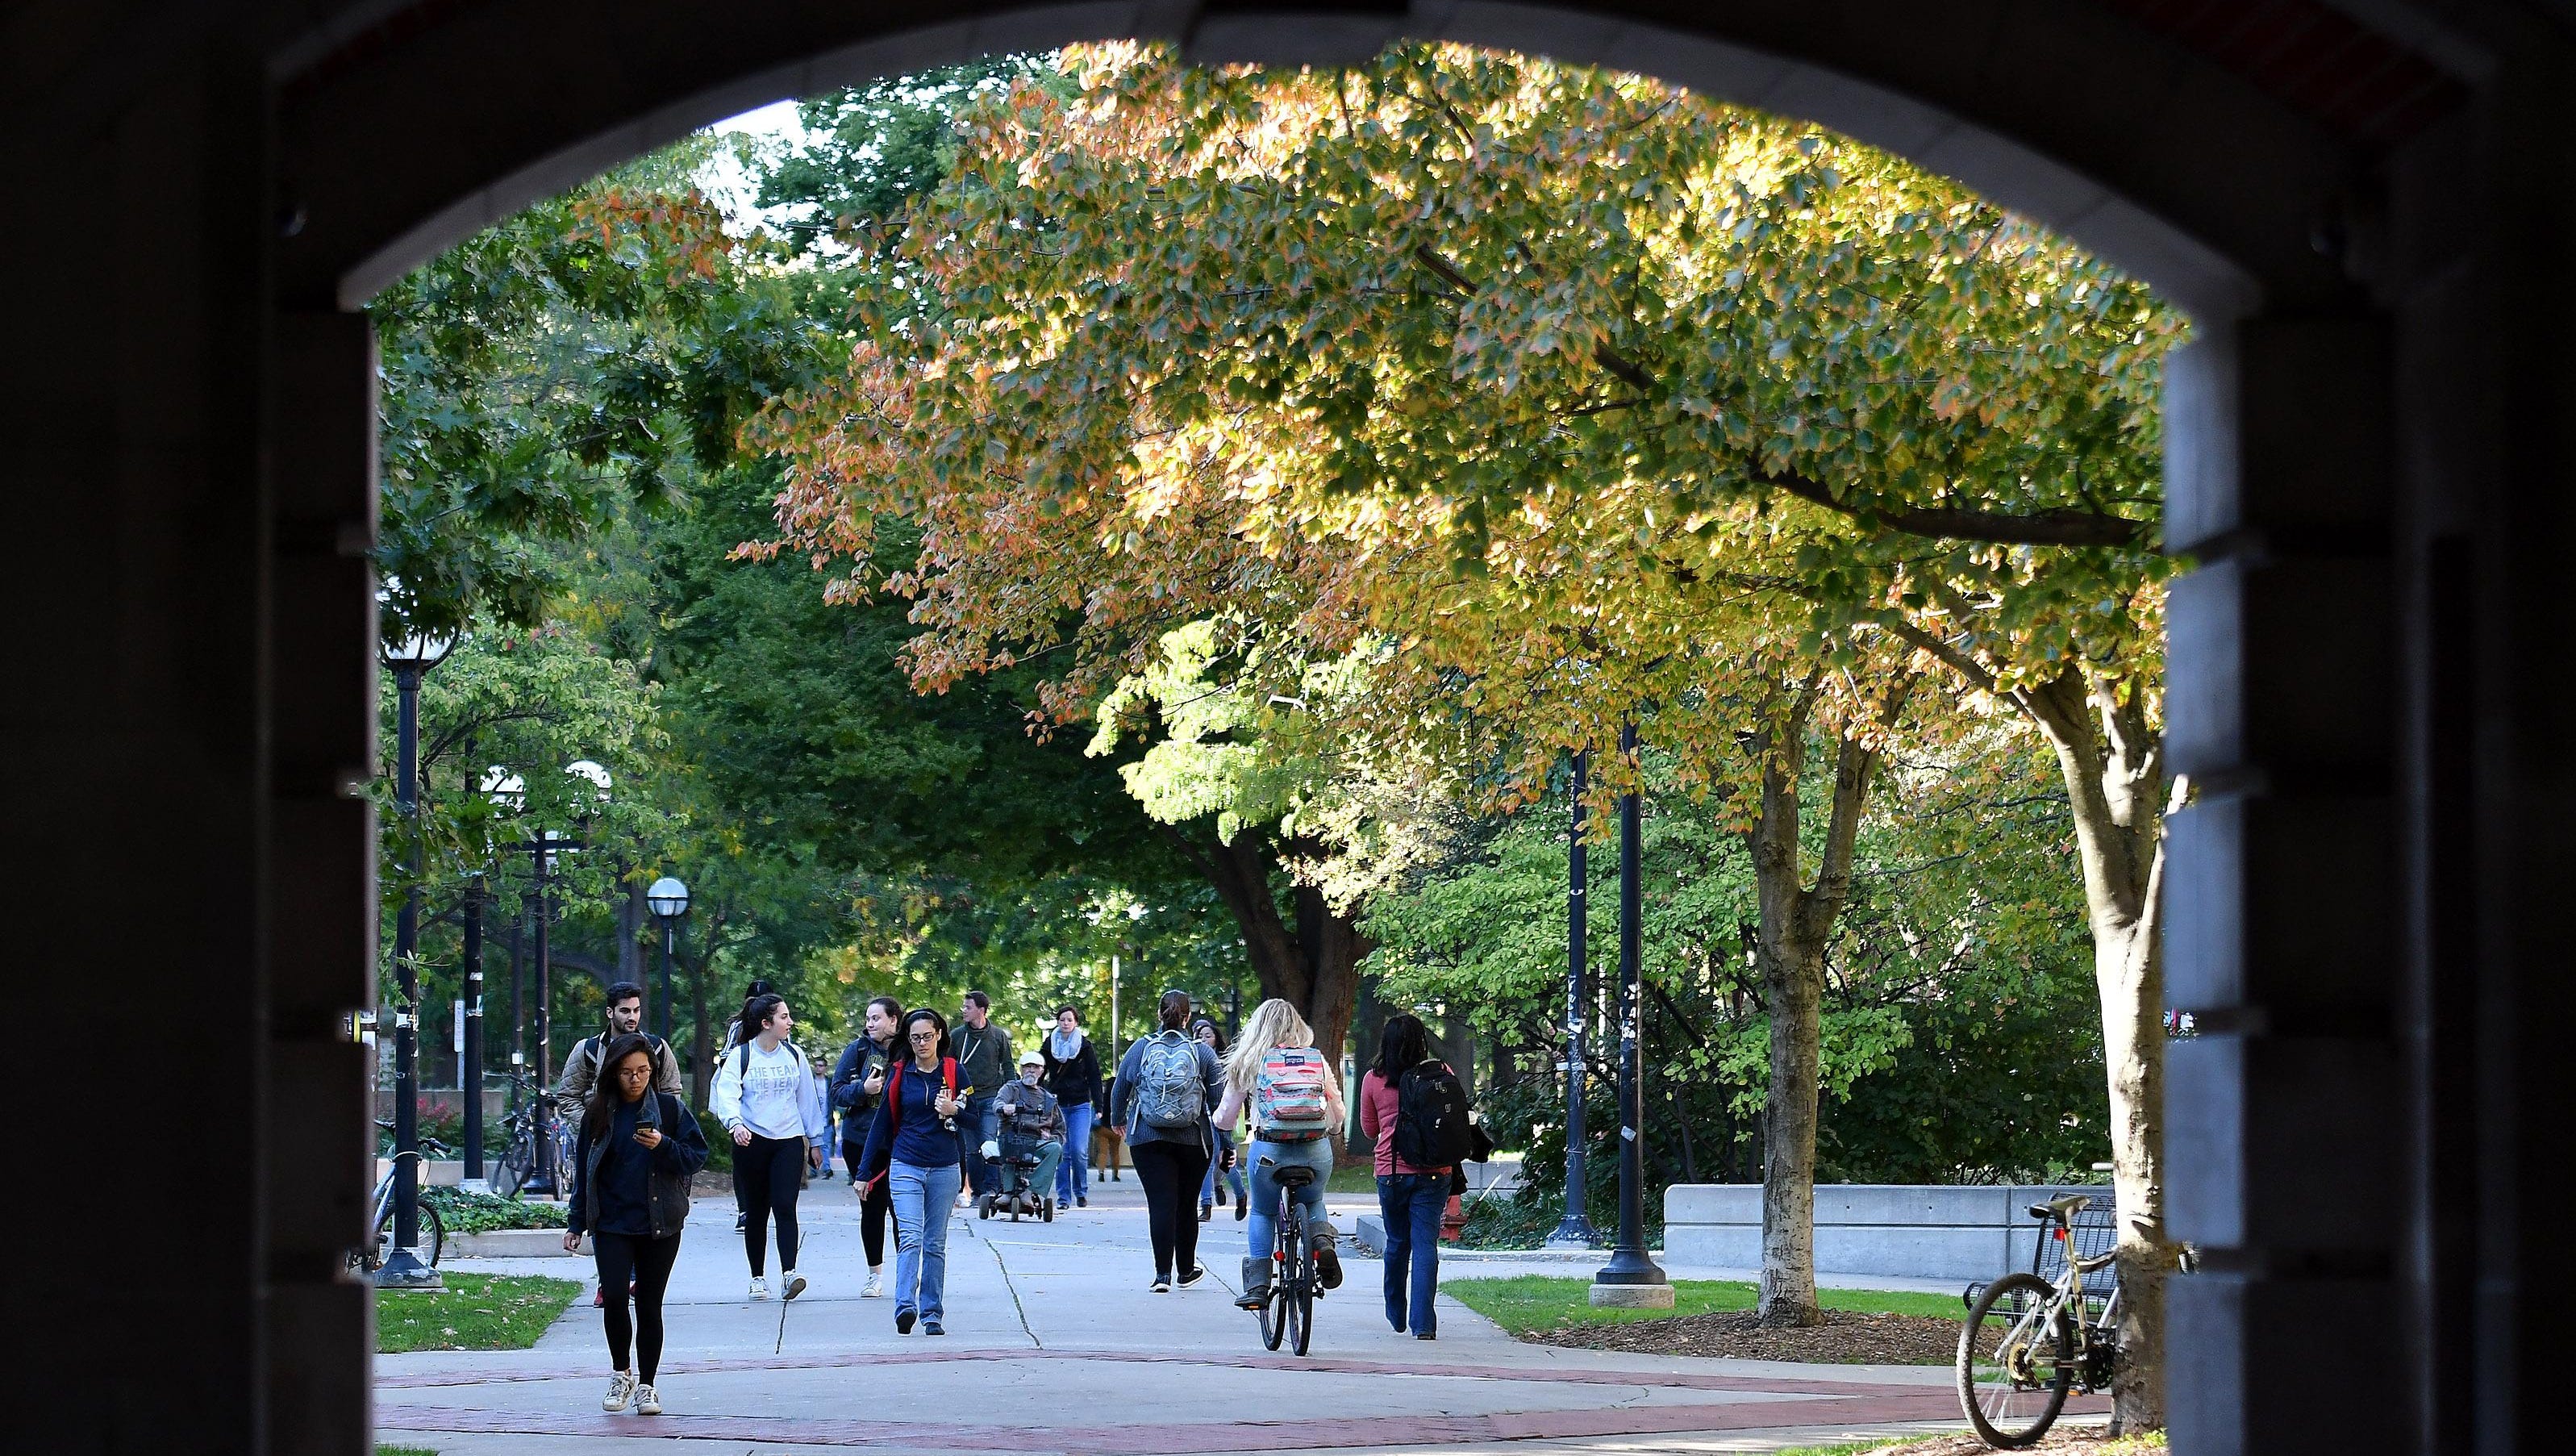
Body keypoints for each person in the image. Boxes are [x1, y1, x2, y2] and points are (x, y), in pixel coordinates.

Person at [563, 1033, 708, 1416]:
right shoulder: (598, 1112)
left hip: (660, 1222)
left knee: (648, 1303)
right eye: (627, 1072)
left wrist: (662, 1145)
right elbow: (584, 1172)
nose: (636, 1078)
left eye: (643, 1070)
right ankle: (620, 1372)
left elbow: (696, 1156)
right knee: (613, 1295)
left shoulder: (669, 1110)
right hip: (611, 1221)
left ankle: (648, 1384)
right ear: (613, 1073)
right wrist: (576, 1222)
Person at [1214, 998, 1345, 1312]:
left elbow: (1226, 1117)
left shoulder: (1249, 1062)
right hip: (1315, 1150)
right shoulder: (1315, 1060)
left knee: (1262, 1211)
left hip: (1269, 1153)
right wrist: (1336, 1128)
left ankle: (1258, 1287)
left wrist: (1220, 1125)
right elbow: (1337, 1109)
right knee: (1313, 1201)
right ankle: (1322, 1243)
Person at [707, 992, 827, 1302]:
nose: (790, 1022)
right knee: (757, 1212)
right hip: (752, 1141)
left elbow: (807, 1100)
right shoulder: (741, 1056)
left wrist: (815, 1140)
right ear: (766, 1023)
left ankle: (790, 1273)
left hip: (787, 1141)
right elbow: (727, 1093)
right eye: (784, 1017)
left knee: (785, 1206)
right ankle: (757, 1278)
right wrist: (735, 1124)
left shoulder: (794, 1055)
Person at [856, 1008, 965, 1336]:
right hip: (906, 1165)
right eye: (914, 1038)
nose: (921, 1043)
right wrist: (864, 1172)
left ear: (940, 1036)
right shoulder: (900, 1073)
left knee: (934, 1243)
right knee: (911, 1237)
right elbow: (882, 1123)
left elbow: (975, 1120)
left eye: (927, 1037)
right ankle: (905, 1305)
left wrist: (954, 1110)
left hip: (945, 1167)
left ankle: (932, 1313)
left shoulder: (955, 1072)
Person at [1108, 989, 1222, 1292]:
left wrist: (1117, 1119)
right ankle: (1185, 1270)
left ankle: (1162, 1276)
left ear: (1159, 1015)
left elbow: (1120, 1087)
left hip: (1148, 1138)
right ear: (1188, 1018)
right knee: (1186, 1204)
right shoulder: (1203, 1053)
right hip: (1194, 1140)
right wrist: (1226, 1143)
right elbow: (1217, 1101)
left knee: (1160, 1204)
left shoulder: (1141, 1048)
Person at [1358, 1013, 1453, 1340]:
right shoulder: (1441, 1074)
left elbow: (1369, 1130)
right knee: (1426, 1244)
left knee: (1397, 1243)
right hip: (1434, 1172)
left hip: (1391, 1171)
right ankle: (1423, 1324)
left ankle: (1395, 1312)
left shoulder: (1374, 1079)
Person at [829, 995, 902, 1297]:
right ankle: (875, 1275)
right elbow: (837, 1093)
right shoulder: (857, 1050)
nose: (870, 1024)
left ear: (894, 1020)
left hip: (901, 1143)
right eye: (868, 1018)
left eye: (877, 1018)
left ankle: (909, 1273)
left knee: (903, 1210)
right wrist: (864, 1089)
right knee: (872, 1211)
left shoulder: (908, 1052)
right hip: (860, 1141)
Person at [715, 978, 776, 1235]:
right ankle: (745, 1209)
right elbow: (725, 1056)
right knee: (742, 1154)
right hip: (742, 1096)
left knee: (770, 1154)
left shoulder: (779, 1027)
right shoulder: (738, 1027)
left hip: (770, 1101)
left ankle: (762, 1205)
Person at [556, 982, 683, 1103]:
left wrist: (661, 1123)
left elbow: (672, 1091)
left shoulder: (658, 1047)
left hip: (646, 1124)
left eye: (636, 1010)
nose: (632, 1017)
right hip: (602, 1122)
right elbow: (568, 1096)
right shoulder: (588, 1050)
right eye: (625, 1011)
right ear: (610, 1012)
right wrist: (591, 1124)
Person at [949, 991, 1014, 1202]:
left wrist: (1012, 1092)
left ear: (982, 1010)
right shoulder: (958, 1036)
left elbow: (1008, 1066)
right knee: (972, 1149)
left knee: (988, 1142)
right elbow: (948, 1066)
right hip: (966, 1099)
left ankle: (992, 1189)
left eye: (968, 1007)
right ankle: (978, 1192)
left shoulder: (997, 1036)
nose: (964, 1011)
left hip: (991, 1097)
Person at [1040, 1005, 1104, 1208]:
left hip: (1080, 1105)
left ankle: (1081, 1191)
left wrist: (1100, 1105)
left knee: (1078, 1150)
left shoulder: (1084, 1047)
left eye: (1069, 1020)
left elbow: (1094, 1076)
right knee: (1061, 1151)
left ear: (1076, 1023)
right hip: (1057, 1105)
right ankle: (1064, 1198)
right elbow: (1040, 1072)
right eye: (1062, 1020)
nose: (1065, 1023)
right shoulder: (1050, 1044)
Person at [986, 1048, 1066, 1207]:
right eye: (1027, 1067)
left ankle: (1030, 1189)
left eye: (1035, 1067)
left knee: (1055, 1149)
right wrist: (1005, 1108)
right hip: (1012, 1136)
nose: (1031, 1070)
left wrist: (1051, 1137)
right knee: (1011, 1145)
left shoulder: (1049, 1100)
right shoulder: (1011, 1088)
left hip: (1037, 1141)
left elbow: (1060, 1130)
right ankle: (1008, 1192)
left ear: (1042, 1071)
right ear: (1021, 1069)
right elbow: (998, 1103)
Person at [1193, 1020, 1248, 1223]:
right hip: (1202, 1118)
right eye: (1200, 1036)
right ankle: (1205, 1205)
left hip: (1222, 1116)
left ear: (1216, 1038)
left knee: (1226, 1163)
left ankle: (1240, 1195)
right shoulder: (1192, 1059)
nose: (1204, 1039)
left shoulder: (1224, 1062)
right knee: (1207, 1161)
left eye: (1208, 1035)